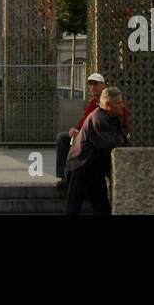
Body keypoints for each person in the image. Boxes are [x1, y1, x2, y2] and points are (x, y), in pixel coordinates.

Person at [63, 86, 128, 215]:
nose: (122, 106)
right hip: (80, 166)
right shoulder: (98, 119)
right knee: (73, 207)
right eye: (119, 102)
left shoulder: (116, 119)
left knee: (102, 206)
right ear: (108, 105)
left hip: (95, 169)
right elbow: (110, 144)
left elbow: (124, 140)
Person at [56, 73, 105, 188]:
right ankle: (64, 176)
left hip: (99, 139)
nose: (92, 87)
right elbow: (84, 121)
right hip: (87, 135)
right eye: (90, 84)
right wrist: (76, 129)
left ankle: (74, 176)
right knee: (63, 138)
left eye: (95, 84)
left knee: (80, 144)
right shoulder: (93, 103)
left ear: (103, 84)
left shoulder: (107, 101)